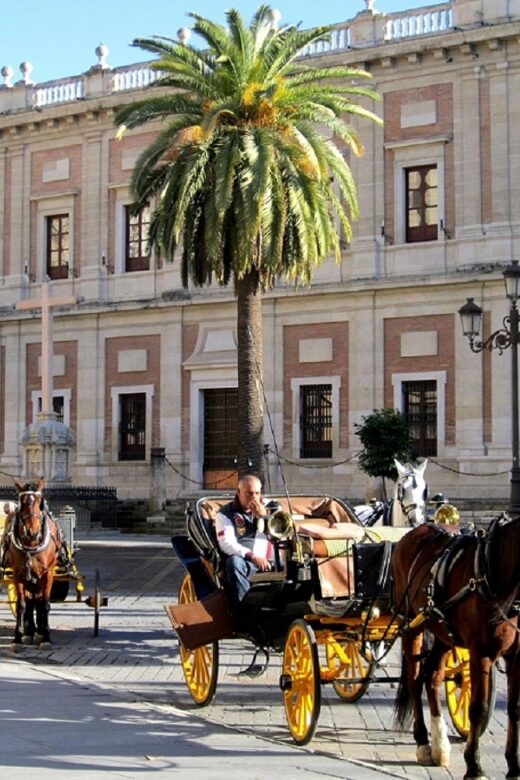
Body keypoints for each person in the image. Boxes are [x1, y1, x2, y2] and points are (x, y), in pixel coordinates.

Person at [215, 474, 275, 612]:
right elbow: (227, 543)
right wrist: (253, 556)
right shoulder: (225, 514)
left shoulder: (272, 507)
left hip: (274, 559)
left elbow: (283, 532)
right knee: (233, 563)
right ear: (238, 492)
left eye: (257, 493)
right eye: (249, 493)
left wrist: (264, 516)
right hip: (247, 561)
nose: (254, 497)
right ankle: (245, 610)